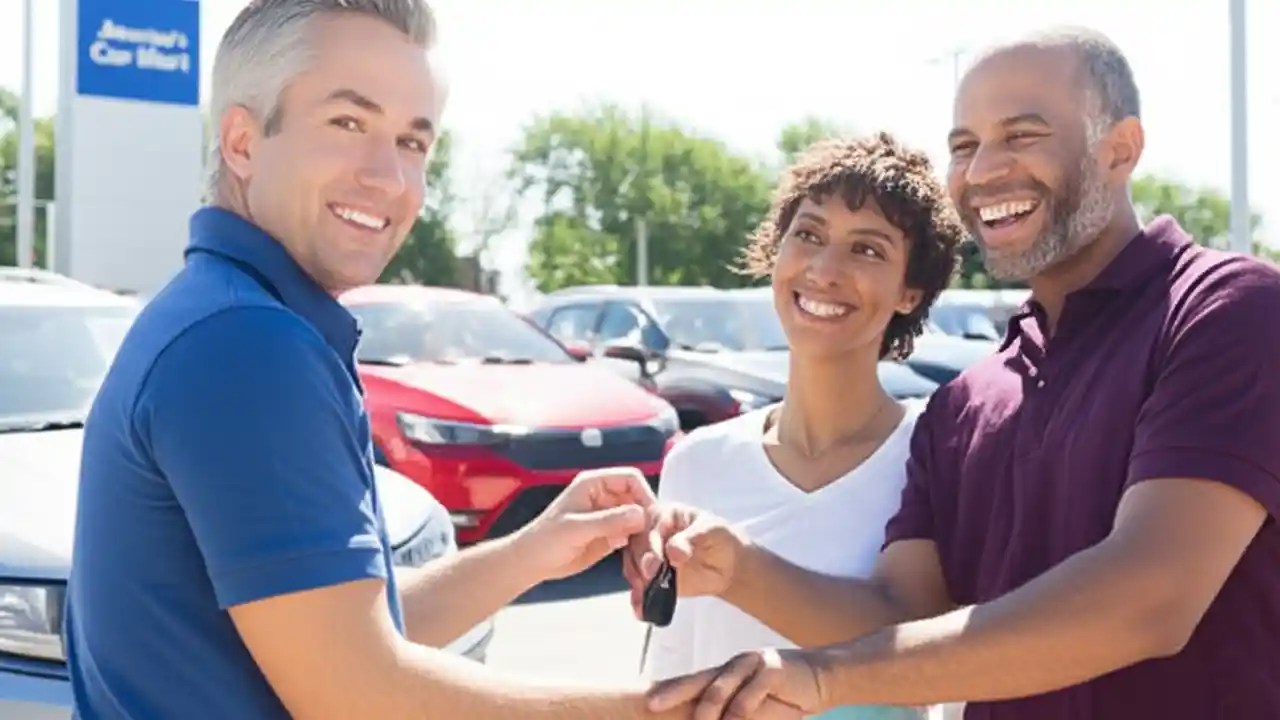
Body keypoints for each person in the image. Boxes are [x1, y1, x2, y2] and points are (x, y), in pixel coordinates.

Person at [64, 3, 802, 719]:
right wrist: (679, 711)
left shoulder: (218, 313)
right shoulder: (248, 345)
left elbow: (343, 634)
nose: (388, 177)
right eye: (348, 122)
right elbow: (357, 695)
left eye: (413, 141)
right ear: (243, 142)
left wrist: (529, 551)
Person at [627, 27, 1280, 720]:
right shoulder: (967, 401)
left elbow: (1153, 597)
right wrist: (740, 570)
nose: (984, 170)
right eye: (964, 146)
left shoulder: (1226, 309)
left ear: (1120, 149)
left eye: (1022, 135)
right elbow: (903, 616)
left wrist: (827, 677)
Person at [632, 133, 963, 720]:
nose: (824, 269)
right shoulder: (697, 462)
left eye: (868, 250)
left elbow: (922, 652)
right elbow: (668, 677)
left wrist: (741, 570)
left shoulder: (936, 452)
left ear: (910, 291)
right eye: (808, 235)